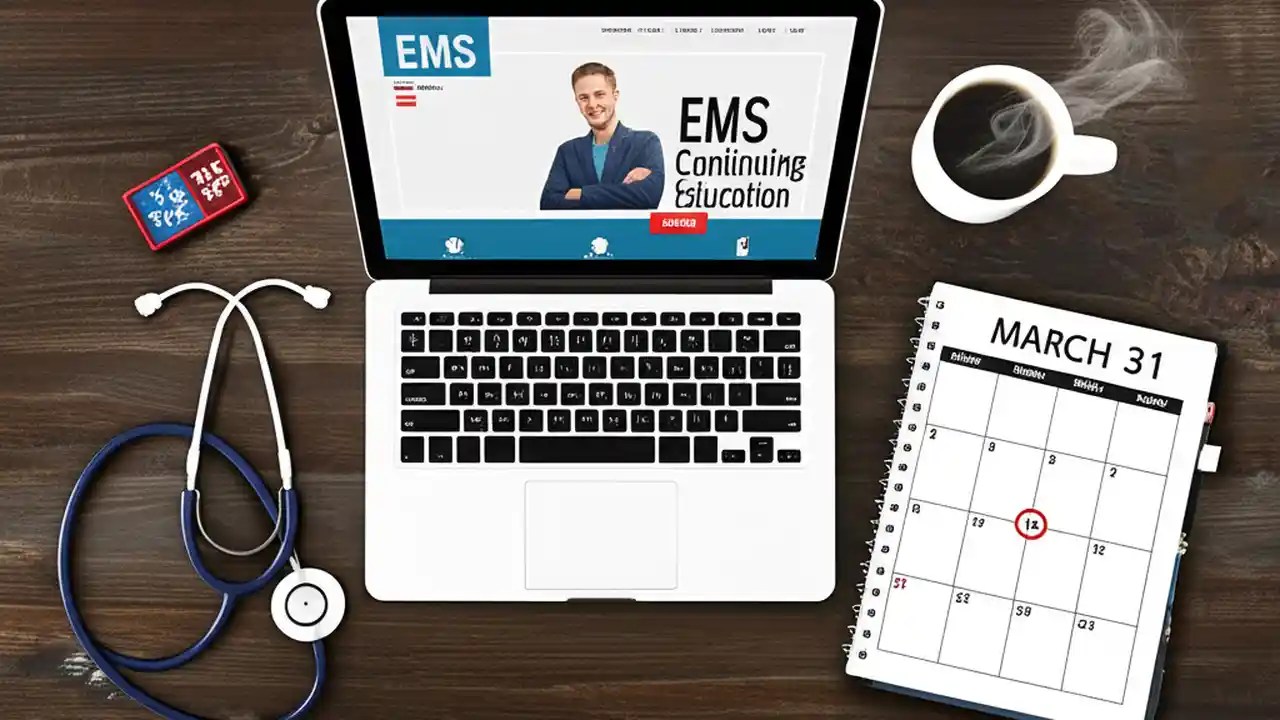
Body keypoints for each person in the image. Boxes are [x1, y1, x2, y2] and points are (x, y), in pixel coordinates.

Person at [540, 62, 664, 210]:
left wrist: (580, 193)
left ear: (615, 95)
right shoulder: (568, 151)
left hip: (628, 233)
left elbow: (648, 196)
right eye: (584, 97)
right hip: (581, 233)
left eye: (599, 95)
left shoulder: (645, 143)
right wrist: (621, 193)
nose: (592, 104)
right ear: (577, 101)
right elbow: (549, 203)